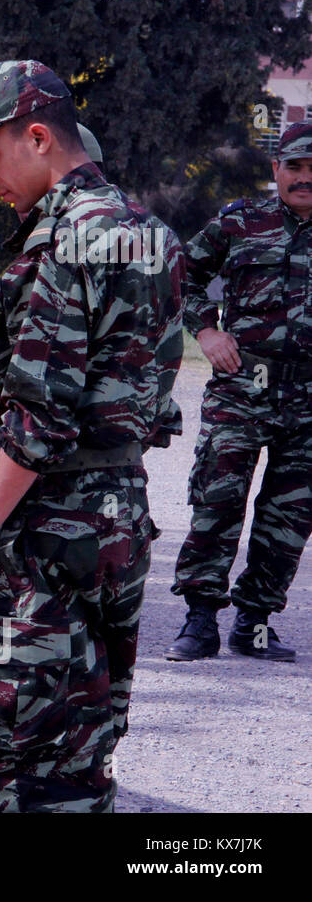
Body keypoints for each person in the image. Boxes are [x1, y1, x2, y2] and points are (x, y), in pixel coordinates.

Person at [0, 60, 184, 812]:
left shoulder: (62, 242)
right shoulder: (153, 233)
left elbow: (39, 419)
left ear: (38, 137)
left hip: (48, 530)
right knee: (90, 740)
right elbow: (156, 394)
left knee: (19, 751)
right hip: (121, 522)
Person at [164, 122, 312, 663]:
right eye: (294, 167)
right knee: (218, 500)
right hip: (242, 388)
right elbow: (180, 273)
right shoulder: (240, 222)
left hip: (308, 398)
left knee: (290, 514)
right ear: (277, 170)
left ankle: (254, 621)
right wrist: (205, 329)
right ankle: (200, 619)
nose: (303, 179)